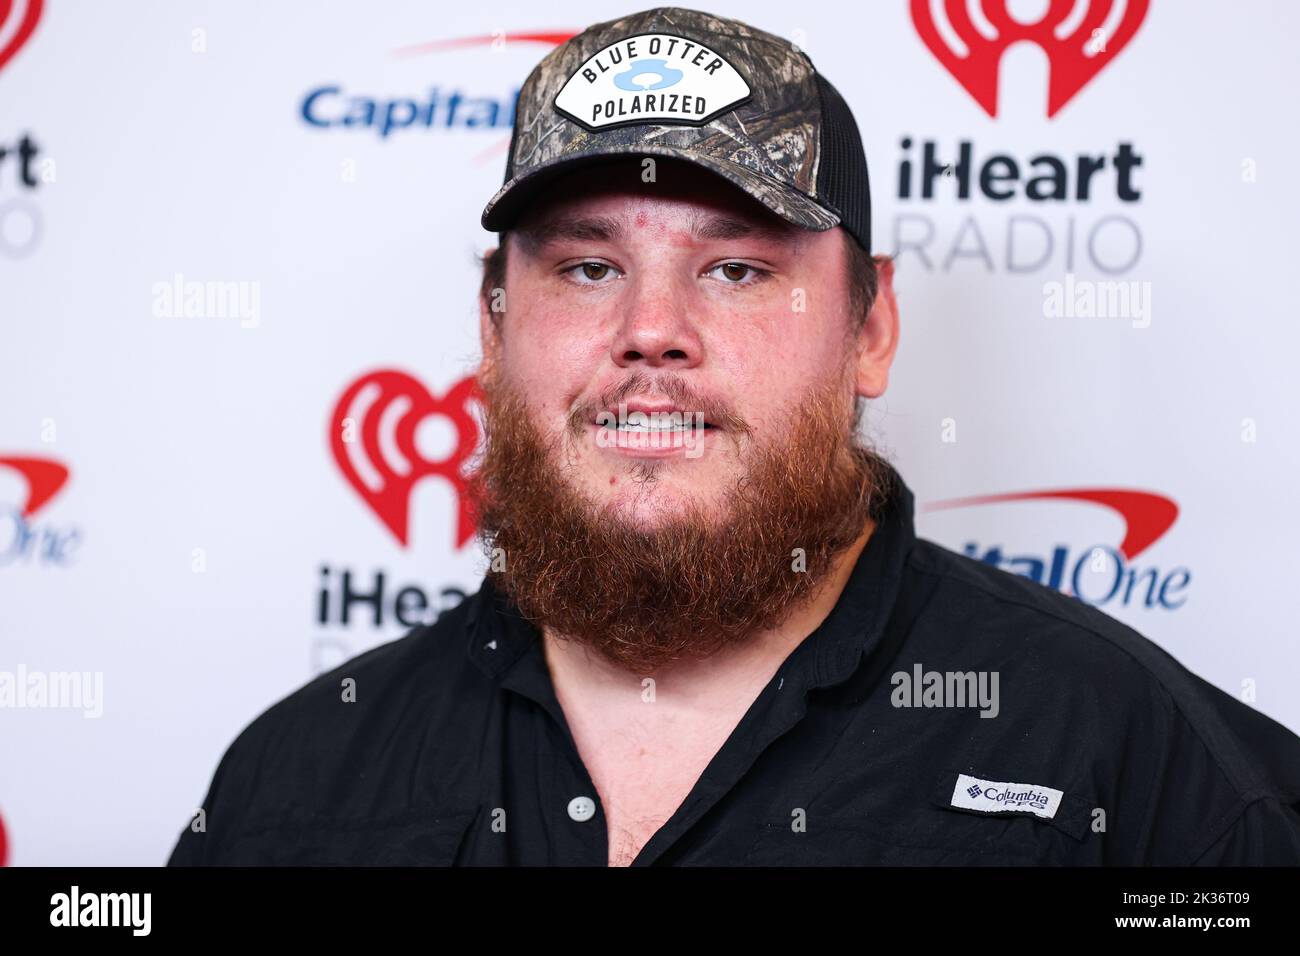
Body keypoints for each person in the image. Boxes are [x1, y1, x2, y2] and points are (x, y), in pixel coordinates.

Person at [167, 6, 1300, 866]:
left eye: (738, 268)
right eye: (588, 266)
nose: (650, 330)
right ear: (493, 325)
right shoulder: (292, 787)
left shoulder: (1143, 772)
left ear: (869, 327)